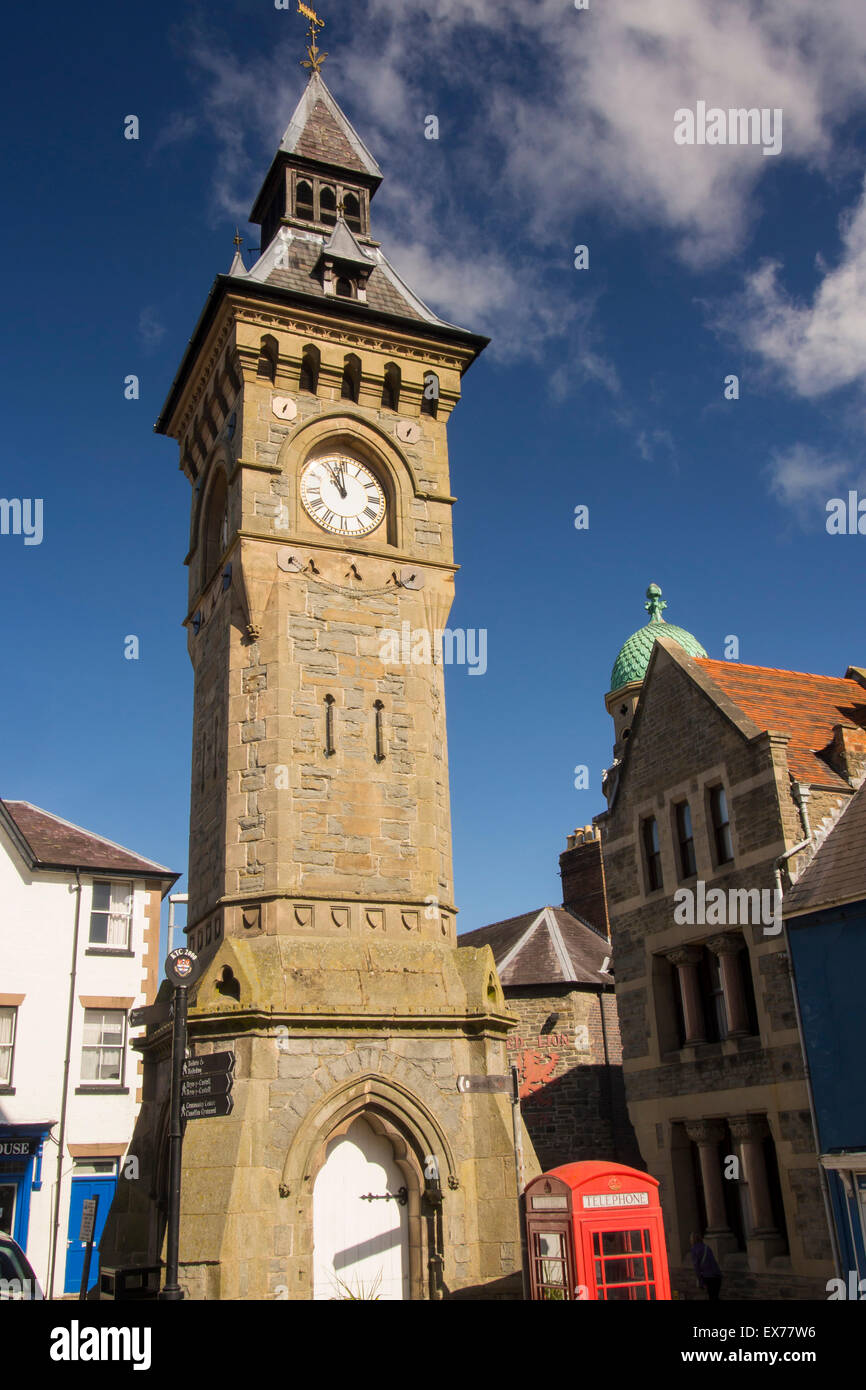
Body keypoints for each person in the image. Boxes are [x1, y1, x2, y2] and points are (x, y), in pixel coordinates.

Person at [689, 1232, 722, 1300]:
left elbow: (696, 1267)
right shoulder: (707, 1247)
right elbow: (713, 1262)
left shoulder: (694, 1249)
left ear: (692, 1240)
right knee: (715, 1296)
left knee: (712, 1296)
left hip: (708, 1277)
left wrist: (700, 1281)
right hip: (717, 1276)